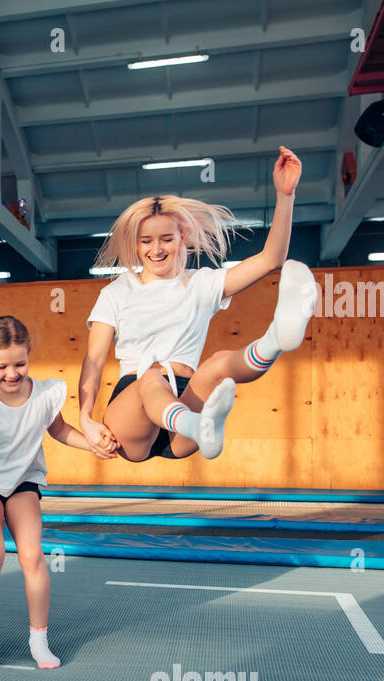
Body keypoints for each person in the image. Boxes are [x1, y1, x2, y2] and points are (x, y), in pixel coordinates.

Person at [78, 146, 318, 463]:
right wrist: (85, 418)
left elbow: (271, 259)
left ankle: (274, 340)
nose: (156, 249)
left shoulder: (200, 284)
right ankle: (200, 425)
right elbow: (93, 361)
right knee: (150, 377)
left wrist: (285, 195)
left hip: (185, 399)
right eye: (146, 241)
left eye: (166, 238)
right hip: (132, 412)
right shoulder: (118, 291)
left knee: (218, 364)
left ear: (183, 236)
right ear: (135, 243)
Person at [0, 316, 116, 670]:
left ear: (29, 356)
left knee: (32, 555)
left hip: (23, 483)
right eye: (2, 366)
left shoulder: (46, 394)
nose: (12, 373)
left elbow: (61, 431)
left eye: (20, 364)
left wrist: (91, 444)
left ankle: (39, 640)